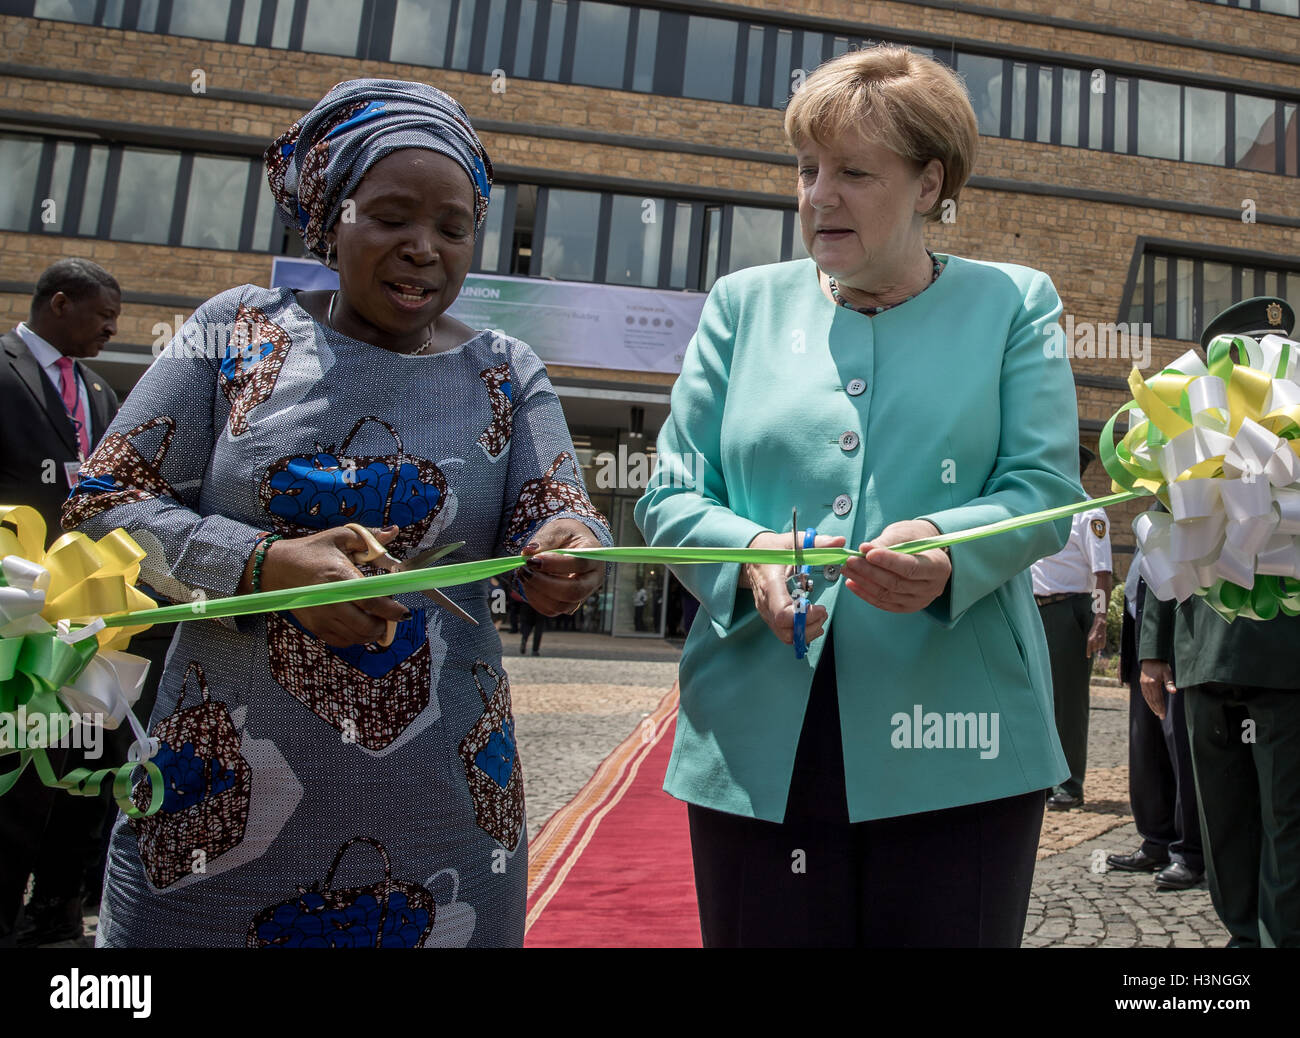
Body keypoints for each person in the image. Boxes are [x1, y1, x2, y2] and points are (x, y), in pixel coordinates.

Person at [63, 79, 609, 948]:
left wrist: (570, 547)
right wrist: (264, 566)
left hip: (446, 818)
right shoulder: (235, 331)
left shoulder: (505, 368)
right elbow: (100, 503)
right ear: (329, 219)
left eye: (453, 227)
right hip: (215, 809)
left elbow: (561, 506)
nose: (424, 248)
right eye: (392, 217)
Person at [635, 45, 1083, 948]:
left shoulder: (1015, 304)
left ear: (929, 183)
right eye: (807, 169)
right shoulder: (740, 305)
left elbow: (1043, 487)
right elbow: (671, 495)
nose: (818, 196)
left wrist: (949, 545)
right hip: (759, 735)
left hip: (961, 737)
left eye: (853, 172)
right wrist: (754, 555)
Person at [1139, 296, 1300, 947]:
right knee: (1224, 819)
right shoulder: (1190, 434)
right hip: (1205, 657)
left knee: (1286, 817)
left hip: (1288, 663)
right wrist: (1152, 649)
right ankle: (1241, 935)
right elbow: (1163, 539)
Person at [0, 259, 127, 947]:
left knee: (82, 768)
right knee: (15, 771)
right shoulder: (3, 369)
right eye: (103, 314)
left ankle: (55, 913)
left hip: (82, 615)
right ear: (58, 303)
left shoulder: (102, 393)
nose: (114, 327)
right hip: (11, 613)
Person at [1107, 544, 1203, 889]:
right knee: (1145, 747)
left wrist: (1155, 649)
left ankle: (1189, 851)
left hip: (1173, 638)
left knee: (1179, 747)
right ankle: (1156, 839)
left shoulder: (1183, 493)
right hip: (1141, 632)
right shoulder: (1154, 498)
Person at [1030, 446, 1113, 810]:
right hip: (1038, 610)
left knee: (1068, 702)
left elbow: (1103, 572)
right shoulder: (1044, 508)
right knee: (1042, 700)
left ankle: (1070, 785)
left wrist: (1099, 620)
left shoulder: (1088, 512)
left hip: (1071, 611)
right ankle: (1045, 779)